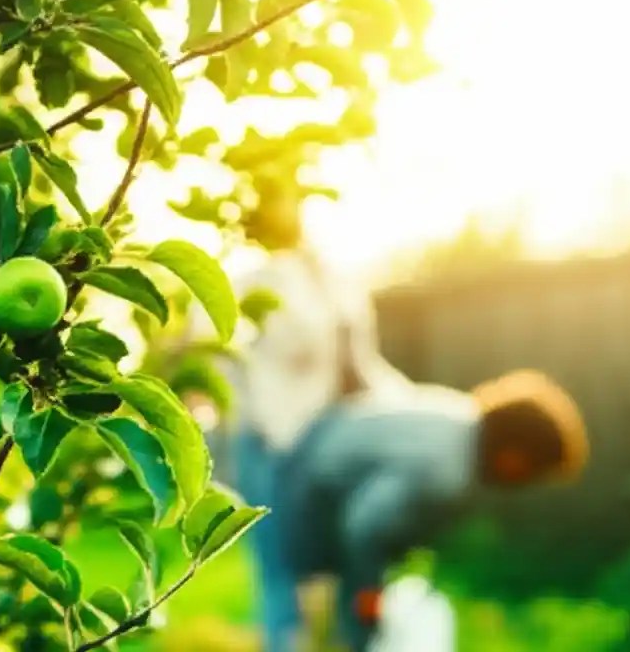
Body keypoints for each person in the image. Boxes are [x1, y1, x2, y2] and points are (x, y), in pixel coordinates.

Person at [176, 171, 410, 652]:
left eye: (291, 201)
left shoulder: (334, 280)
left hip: (329, 446)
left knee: (344, 569)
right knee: (282, 576)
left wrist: (412, 407)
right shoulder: (248, 279)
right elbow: (205, 349)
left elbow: (361, 366)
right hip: (270, 444)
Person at [276, 371, 589, 651]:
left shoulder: (460, 415)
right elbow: (364, 527)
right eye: (533, 469)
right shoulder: (448, 471)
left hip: (320, 449)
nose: (527, 481)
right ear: (516, 453)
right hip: (305, 476)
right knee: (298, 610)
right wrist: (368, 597)